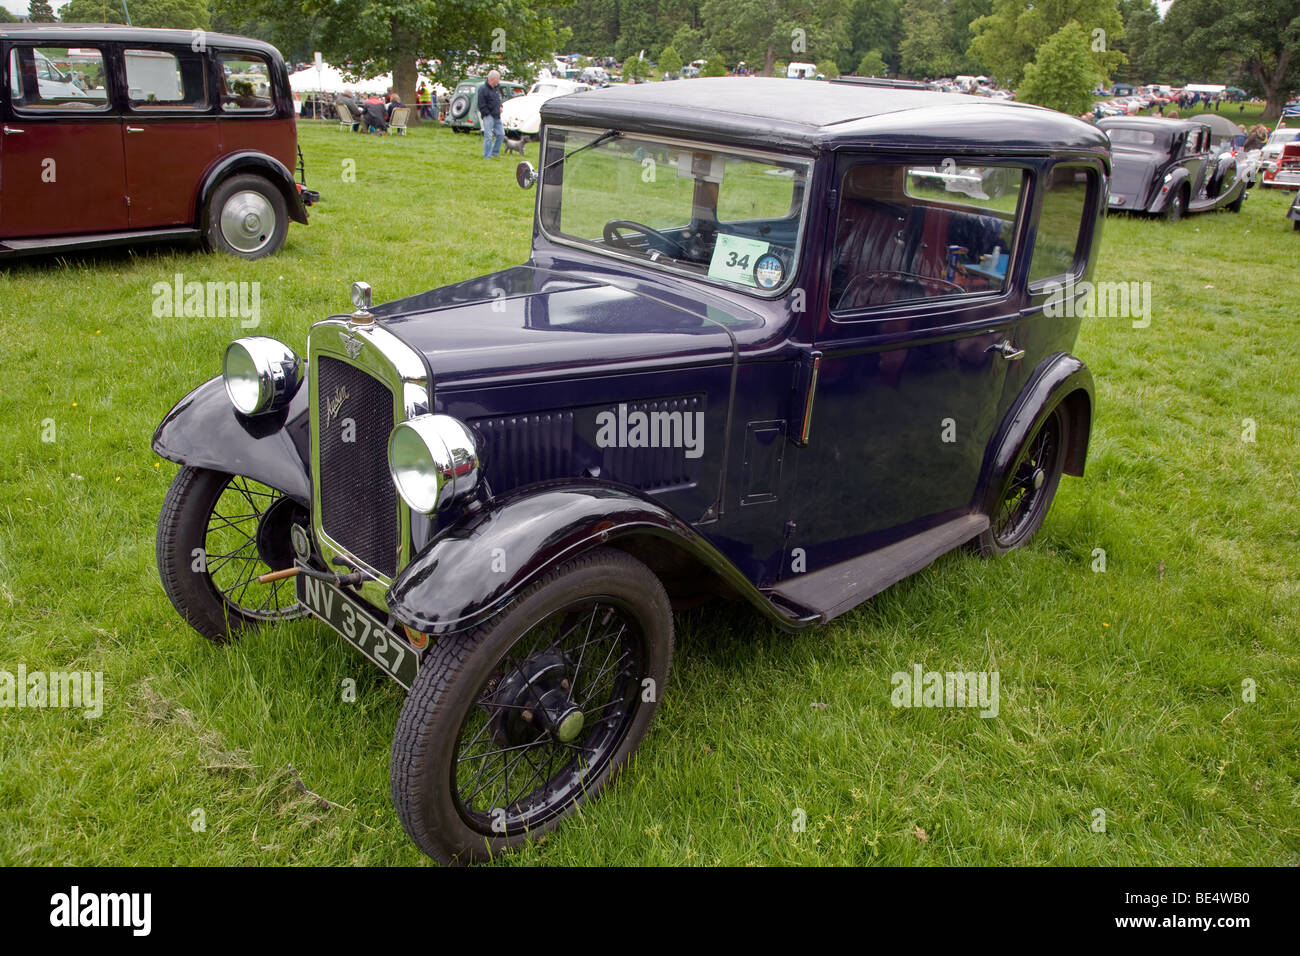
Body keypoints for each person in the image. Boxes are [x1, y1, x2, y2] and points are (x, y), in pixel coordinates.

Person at [478, 69, 504, 159]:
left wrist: (500, 106)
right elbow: (481, 104)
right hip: (488, 116)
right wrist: (487, 114)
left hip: (497, 116)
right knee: (488, 136)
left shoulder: (496, 89)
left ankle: (494, 152)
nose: (499, 81)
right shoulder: (483, 89)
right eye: (498, 79)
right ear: (493, 79)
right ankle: (487, 156)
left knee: (501, 134)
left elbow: (498, 100)